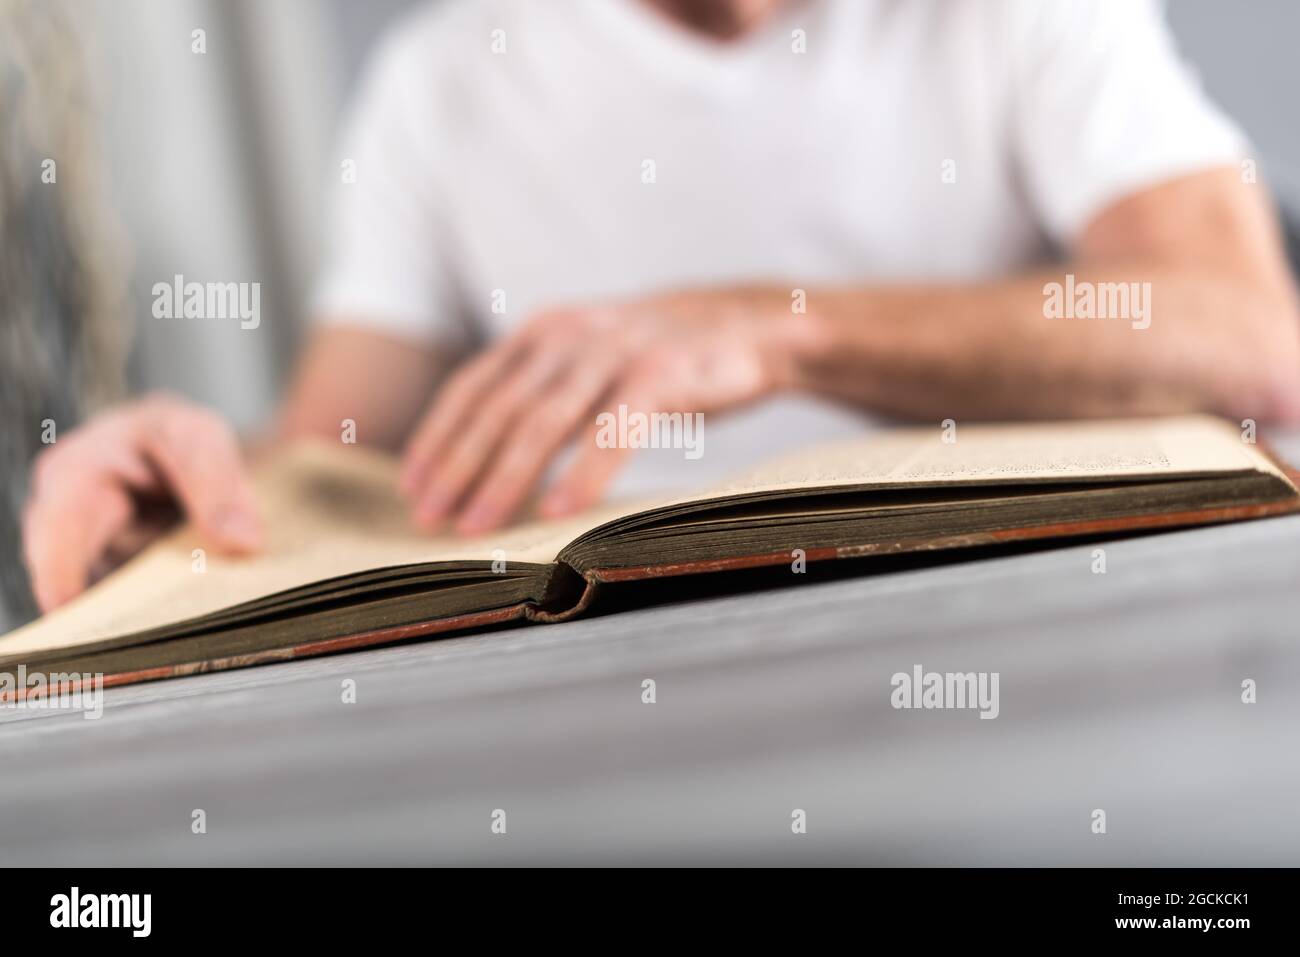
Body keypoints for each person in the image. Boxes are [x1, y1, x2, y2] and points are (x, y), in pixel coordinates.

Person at [20, 0, 1300, 614]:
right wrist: (178, 491)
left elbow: (1250, 337)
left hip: (1058, 625)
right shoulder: (444, 84)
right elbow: (326, 457)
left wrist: (777, 327)